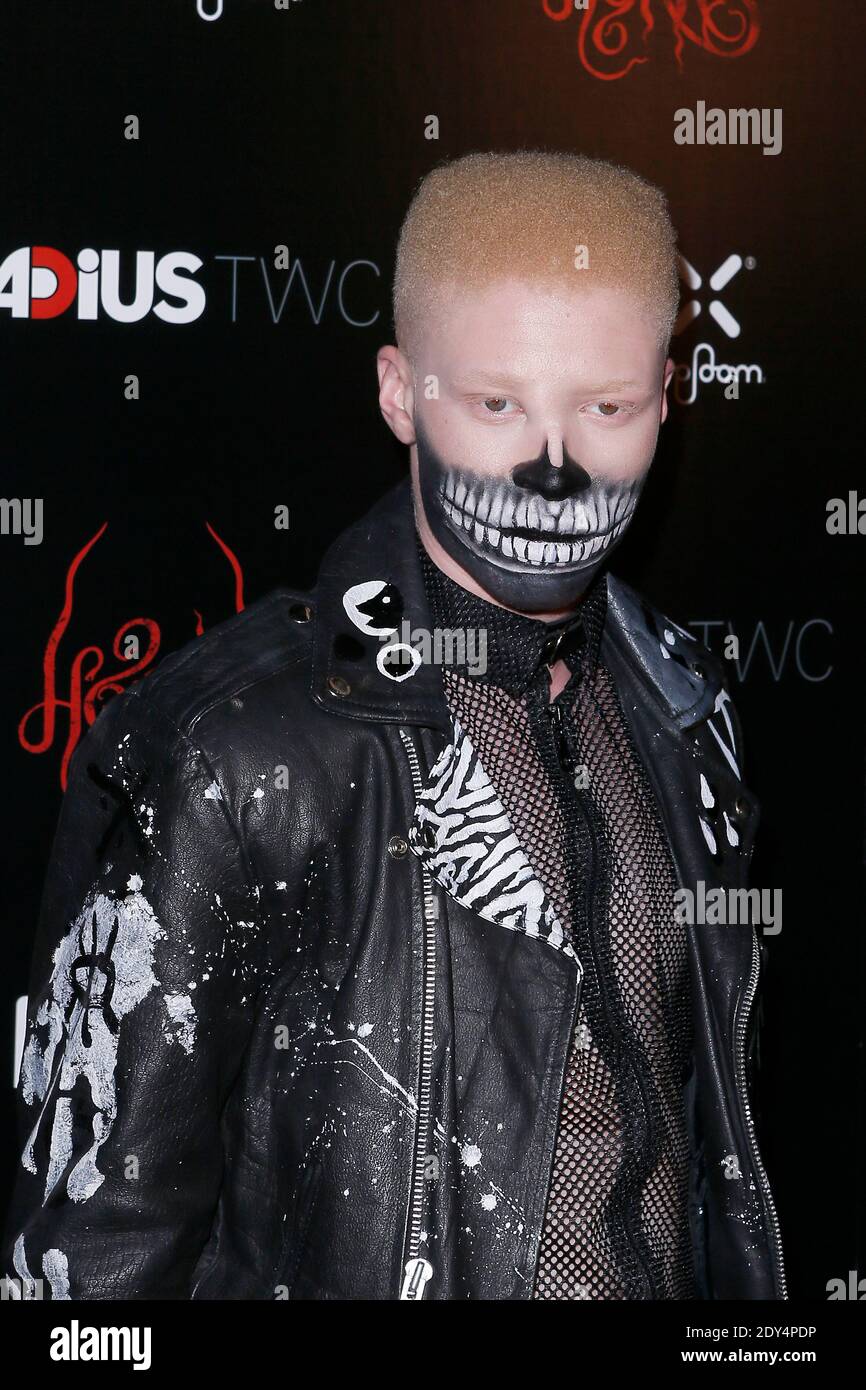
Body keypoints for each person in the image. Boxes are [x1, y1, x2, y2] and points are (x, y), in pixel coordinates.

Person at [2, 150, 785, 1301]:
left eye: (606, 406)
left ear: (667, 398)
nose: (552, 470)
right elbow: (92, 1260)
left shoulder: (683, 708)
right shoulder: (236, 747)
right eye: (495, 401)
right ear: (395, 391)